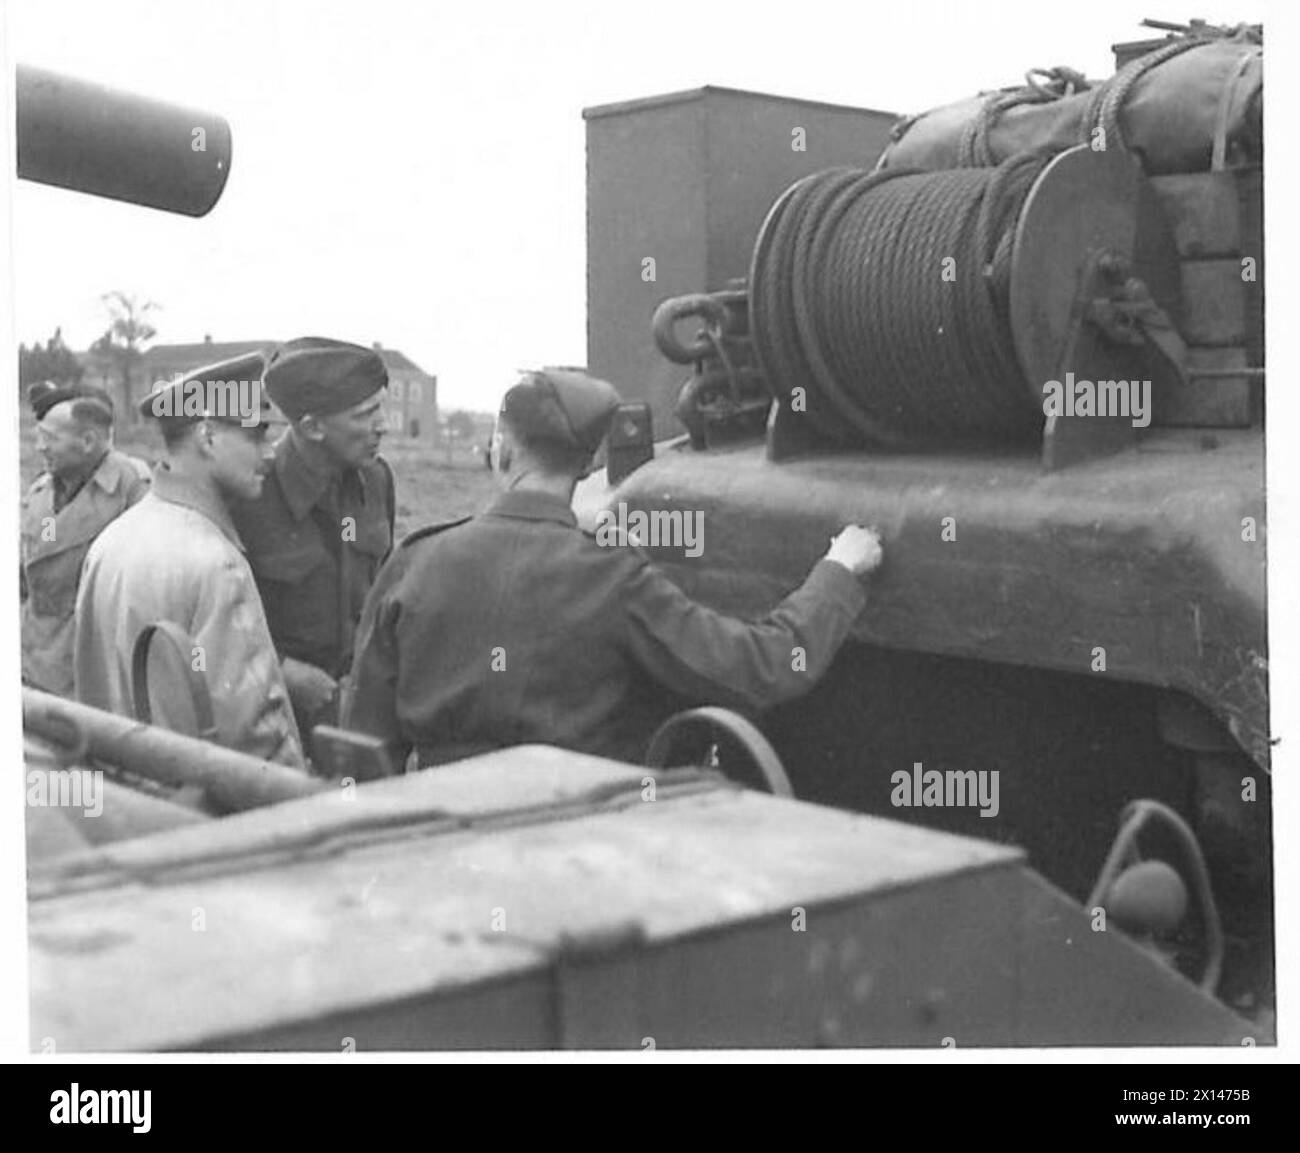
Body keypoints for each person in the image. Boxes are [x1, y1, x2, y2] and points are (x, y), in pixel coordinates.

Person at [344, 367, 883, 769]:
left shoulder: (414, 563)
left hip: (445, 850)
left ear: (501, 450)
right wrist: (838, 572)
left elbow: (364, 748)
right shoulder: (612, 577)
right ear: (588, 466)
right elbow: (761, 668)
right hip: (582, 854)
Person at [73, 364, 306, 771]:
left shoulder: (111, 540)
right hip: (202, 813)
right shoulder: (216, 563)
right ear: (209, 436)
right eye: (256, 435)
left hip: (128, 806)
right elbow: (253, 734)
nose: (269, 452)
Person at [230, 337, 395, 739]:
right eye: (364, 415)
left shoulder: (376, 479)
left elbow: (386, 589)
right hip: (275, 714)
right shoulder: (250, 493)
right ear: (312, 427)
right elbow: (222, 615)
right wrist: (284, 671)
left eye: (379, 409)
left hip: (361, 712)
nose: (382, 426)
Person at [20, 381, 151, 695]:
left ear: (88, 441)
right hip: (32, 664)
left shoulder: (133, 489)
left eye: (49, 438)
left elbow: (140, 598)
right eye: (38, 437)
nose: (39, 447)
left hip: (90, 674)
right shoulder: (41, 491)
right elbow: (26, 578)